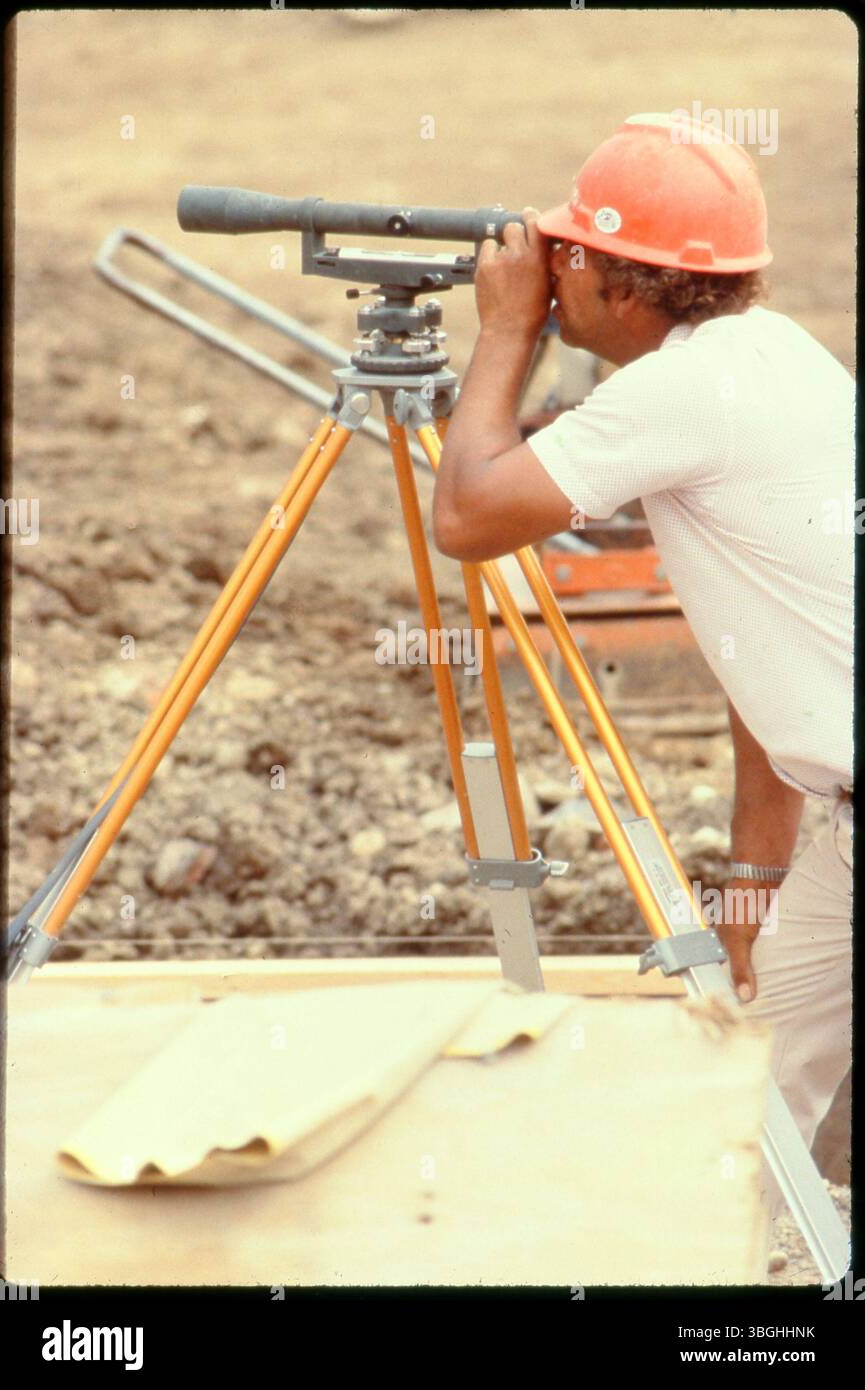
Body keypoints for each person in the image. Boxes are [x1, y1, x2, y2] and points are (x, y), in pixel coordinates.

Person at [432, 112, 854, 1268]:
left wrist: (502, 334)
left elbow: (467, 514)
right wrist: (755, 876)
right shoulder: (771, 354)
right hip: (840, 826)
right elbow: (769, 648)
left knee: (764, 1131)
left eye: (567, 255)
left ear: (625, 286)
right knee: (743, 1112)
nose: (549, 271)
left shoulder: (681, 393)